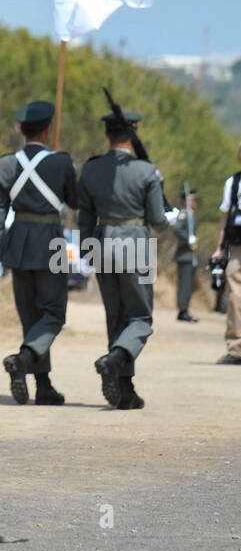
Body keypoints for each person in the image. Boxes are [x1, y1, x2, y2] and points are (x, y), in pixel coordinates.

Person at [78, 108, 175, 408]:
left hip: (102, 243)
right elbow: (157, 220)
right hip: (135, 244)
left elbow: (85, 215)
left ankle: (124, 390)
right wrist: (172, 218)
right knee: (140, 318)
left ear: (107, 134)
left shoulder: (91, 169)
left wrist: (85, 250)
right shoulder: (147, 171)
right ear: (132, 136)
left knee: (116, 316)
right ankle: (115, 359)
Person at [0, 101, 77, 406]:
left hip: (18, 244)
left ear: (21, 130)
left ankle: (44, 385)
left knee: (31, 316)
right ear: (48, 129)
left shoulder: (5, 164)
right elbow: (75, 201)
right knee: (53, 313)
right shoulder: (61, 163)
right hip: (50, 242)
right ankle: (23, 361)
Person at [213, 147, 241, 365]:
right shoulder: (233, 184)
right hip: (238, 247)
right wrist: (219, 248)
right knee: (234, 295)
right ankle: (236, 348)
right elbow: (225, 218)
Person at [174, 190, 199, 323]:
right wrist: (187, 238)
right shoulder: (184, 214)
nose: (194, 202)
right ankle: (182, 310)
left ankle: (185, 309)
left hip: (190, 255)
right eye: (192, 200)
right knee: (184, 284)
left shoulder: (190, 214)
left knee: (189, 285)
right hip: (184, 255)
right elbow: (177, 228)